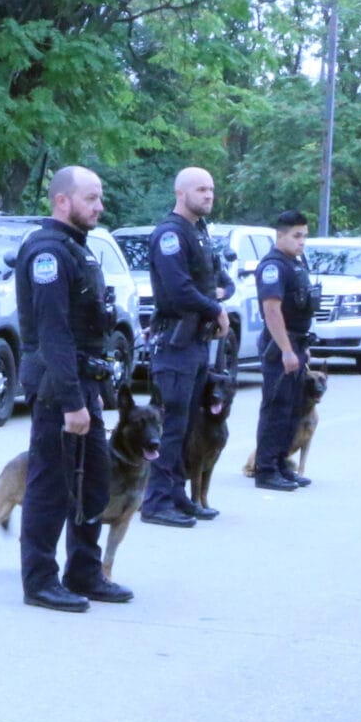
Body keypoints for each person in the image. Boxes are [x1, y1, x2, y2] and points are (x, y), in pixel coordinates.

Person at [15, 166, 126, 612]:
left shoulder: (77, 248)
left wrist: (90, 391)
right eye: (91, 198)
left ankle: (83, 570)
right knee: (51, 486)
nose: (99, 206)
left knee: (95, 481)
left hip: (82, 382)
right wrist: (71, 402)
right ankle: (40, 580)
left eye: (99, 198)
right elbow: (54, 333)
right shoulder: (47, 253)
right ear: (63, 201)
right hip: (58, 388)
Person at [139, 166, 231, 528]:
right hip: (175, 340)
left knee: (188, 422)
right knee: (170, 424)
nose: (208, 195)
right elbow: (178, 290)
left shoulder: (200, 233)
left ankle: (177, 494)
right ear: (181, 193)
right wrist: (214, 306)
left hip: (196, 341)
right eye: (200, 189)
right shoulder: (170, 235)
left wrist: (219, 296)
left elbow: (221, 280)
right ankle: (156, 502)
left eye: (211, 189)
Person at [249, 211, 316, 492]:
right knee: (276, 408)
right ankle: (265, 469)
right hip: (281, 345)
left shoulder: (295, 263)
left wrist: (302, 349)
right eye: (296, 236)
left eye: (304, 236)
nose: (302, 242)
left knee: (291, 409)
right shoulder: (274, 266)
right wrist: (287, 350)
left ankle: (280, 465)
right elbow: (272, 309)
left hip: (296, 342)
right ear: (280, 236)